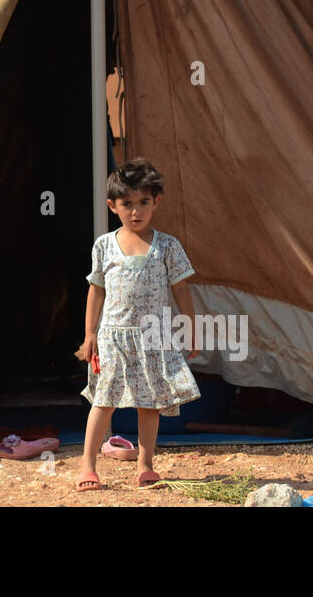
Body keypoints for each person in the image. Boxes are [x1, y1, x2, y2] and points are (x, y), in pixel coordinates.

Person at [76, 158, 201, 491]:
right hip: (113, 337)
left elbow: (181, 289)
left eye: (143, 202)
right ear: (112, 206)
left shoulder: (168, 247)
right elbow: (96, 290)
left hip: (153, 338)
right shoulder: (104, 246)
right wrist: (90, 334)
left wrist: (190, 326)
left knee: (150, 402)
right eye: (127, 203)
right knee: (104, 400)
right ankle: (88, 465)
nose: (136, 211)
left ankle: (145, 463)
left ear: (156, 202)